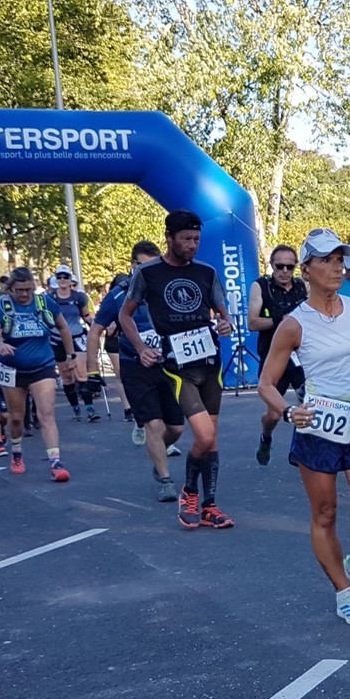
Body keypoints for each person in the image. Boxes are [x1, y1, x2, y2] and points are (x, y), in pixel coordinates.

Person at [258, 228, 350, 625]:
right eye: (327, 261)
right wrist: (287, 412)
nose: (338, 268)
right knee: (325, 514)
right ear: (306, 270)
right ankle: (343, 591)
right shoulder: (292, 325)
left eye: (341, 259)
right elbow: (267, 384)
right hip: (318, 421)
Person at [119, 209, 235, 530]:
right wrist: (142, 349)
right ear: (169, 238)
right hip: (177, 366)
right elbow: (124, 316)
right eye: (185, 239)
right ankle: (188, 493)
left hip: (210, 362)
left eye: (196, 239)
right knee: (204, 434)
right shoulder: (149, 273)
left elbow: (223, 314)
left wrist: (225, 324)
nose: (192, 245)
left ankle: (209, 506)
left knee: (212, 440)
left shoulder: (207, 272)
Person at [91, 241, 185, 501]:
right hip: (135, 366)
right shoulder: (120, 294)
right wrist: (90, 371)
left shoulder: (165, 288)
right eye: (143, 266)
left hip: (167, 366)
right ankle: (165, 479)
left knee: (176, 428)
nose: (149, 271)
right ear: (133, 266)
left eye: (154, 265)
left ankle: (159, 453)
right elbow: (96, 329)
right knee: (153, 425)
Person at [0, 266, 78, 482]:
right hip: (12, 369)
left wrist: (70, 355)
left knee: (47, 415)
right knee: (16, 418)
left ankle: (56, 462)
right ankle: (16, 453)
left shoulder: (44, 302)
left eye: (28, 289)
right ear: (11, 289)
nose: (24, 294)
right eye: (19, 290)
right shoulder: (3, 305)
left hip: (42, 366)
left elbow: (63, 327)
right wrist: (0, 345)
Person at [247, 244, 308, 465]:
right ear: (272, 265)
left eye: (289, 267)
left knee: (310, 403)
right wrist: (278, 319)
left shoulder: (302, 287)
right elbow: (252, 322)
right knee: (273, 415)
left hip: (300, 357)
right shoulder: (260, 286)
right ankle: (266, 437)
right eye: (279, 266)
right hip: (275, 357)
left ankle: (301, 450)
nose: (284, 271)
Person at [51, 263, 99, 422]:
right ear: (56, 279)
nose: (63, 280)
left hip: (77, 337)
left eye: (66, 277)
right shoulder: (49, 297)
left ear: (70, 279)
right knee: (67, 377)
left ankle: (90, 409)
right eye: (60, 277)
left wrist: (95, 326)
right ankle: (75, 409)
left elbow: (85, 315)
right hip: (58, 340)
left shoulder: (78, 296)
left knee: (82, 374)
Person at [102, 274, 135, 424]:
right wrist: (111, 325)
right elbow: (103, 324)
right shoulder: (112, 299)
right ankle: (127, 408)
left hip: (132, 340)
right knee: (120, 374)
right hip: (115, 340)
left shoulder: (138, 296)